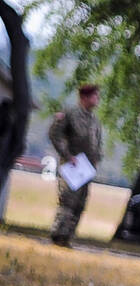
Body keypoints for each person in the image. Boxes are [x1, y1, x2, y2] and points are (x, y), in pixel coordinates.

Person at [48, 84, 104, 247]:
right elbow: (55, 134)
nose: (97, 99)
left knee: (80, 203)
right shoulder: (70, 114)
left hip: (86, 169)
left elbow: (97, 142)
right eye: (95, 95)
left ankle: (68, 237)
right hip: (71, 167)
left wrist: (97, 158)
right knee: (68, 202)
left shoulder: (94, 119)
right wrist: (67, 155)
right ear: (84, 97)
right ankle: (58, 235)